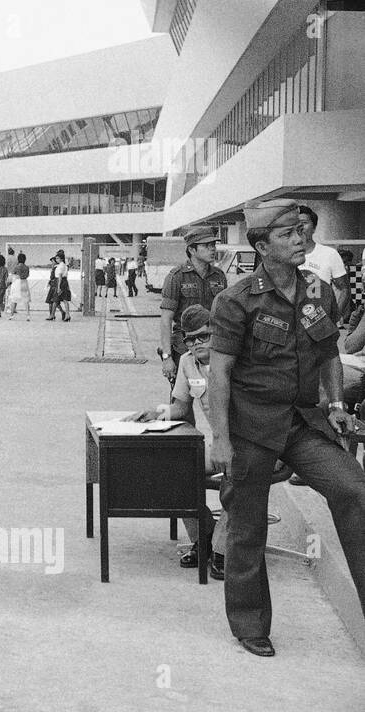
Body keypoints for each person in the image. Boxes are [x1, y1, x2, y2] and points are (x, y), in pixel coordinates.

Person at [209, 197, 365, 658]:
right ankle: (249, 623)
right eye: (288, 234)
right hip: (251, 426)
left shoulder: (319, 289)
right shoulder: (235, 300)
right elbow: (219, 373)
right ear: (261, 245)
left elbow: (330, 352)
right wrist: (221, 438)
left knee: (354, 490)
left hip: (302, 423)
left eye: (302, 231)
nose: (301, 240)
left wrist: (336, 402)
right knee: (247, 525)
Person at [144, 304, 226, 580]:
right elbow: (180, 406)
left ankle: (223, 551)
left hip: (251, 442)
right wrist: (158, 413)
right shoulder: (188, 362)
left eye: (203, 336)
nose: (196, 344)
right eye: (190, 339)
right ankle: (205, 538)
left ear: (217, 332)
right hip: (218, 445)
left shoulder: (234, 359)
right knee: (173, 474)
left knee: (239, 481)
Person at [157, 225, 227, 384]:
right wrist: (167, 357)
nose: (212, 249)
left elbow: (224, 315)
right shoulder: (177, 276)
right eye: (207, 246)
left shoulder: (219, 276)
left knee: (214, 395)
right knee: (182, 397)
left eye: (213, 245)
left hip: (212, 345)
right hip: (184, 346)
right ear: (192, 250)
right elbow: (166, 319)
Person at [297, 205, 350, 317]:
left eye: (304, 223)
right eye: (296, 223)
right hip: (293, 323)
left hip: (321, 323)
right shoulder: (284, 255)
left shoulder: (329, 254)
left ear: (314, 227)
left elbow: (344, 289)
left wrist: (333, 318)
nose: (300, 227)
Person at [45, 253, 71, 321]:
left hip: (60, 282)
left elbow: (59, 276)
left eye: (57, 258)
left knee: (56, 299)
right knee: (63, 299)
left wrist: (59, 287)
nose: (56, 260)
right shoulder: (64, 265)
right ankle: (66, 315)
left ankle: (53, 315)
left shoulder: (60, 266)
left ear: (61, 259)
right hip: (64, 282)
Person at [7, 252, 31, 320]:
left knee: (14, 299)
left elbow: (13, 274)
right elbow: (27, 275)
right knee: (26, 300)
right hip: (24, 282)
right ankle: (28, 315)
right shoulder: (26, 267)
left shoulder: (16, 267)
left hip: (17, 282)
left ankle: (11, 315)